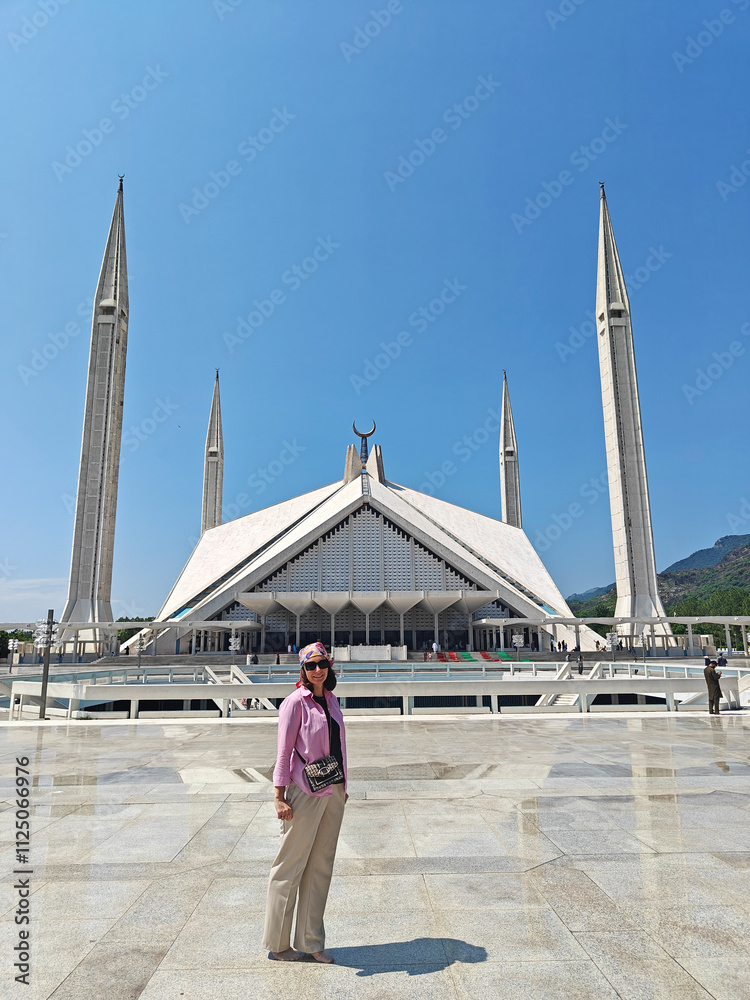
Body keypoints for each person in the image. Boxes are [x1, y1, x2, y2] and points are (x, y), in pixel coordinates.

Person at [262, 641, 347, 964]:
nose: (317, 670)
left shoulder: (331, 700)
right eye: (310, 666)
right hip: (304, 793)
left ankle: (311, 941)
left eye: (321, 664)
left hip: (334, 791)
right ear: (302, 670)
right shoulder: (294, 703)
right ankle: (278, 942)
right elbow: (283, 753)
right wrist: (278, 796)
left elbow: (339, 746)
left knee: (320, 867)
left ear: (329, 666)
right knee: (288, 867)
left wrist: (345, 787)